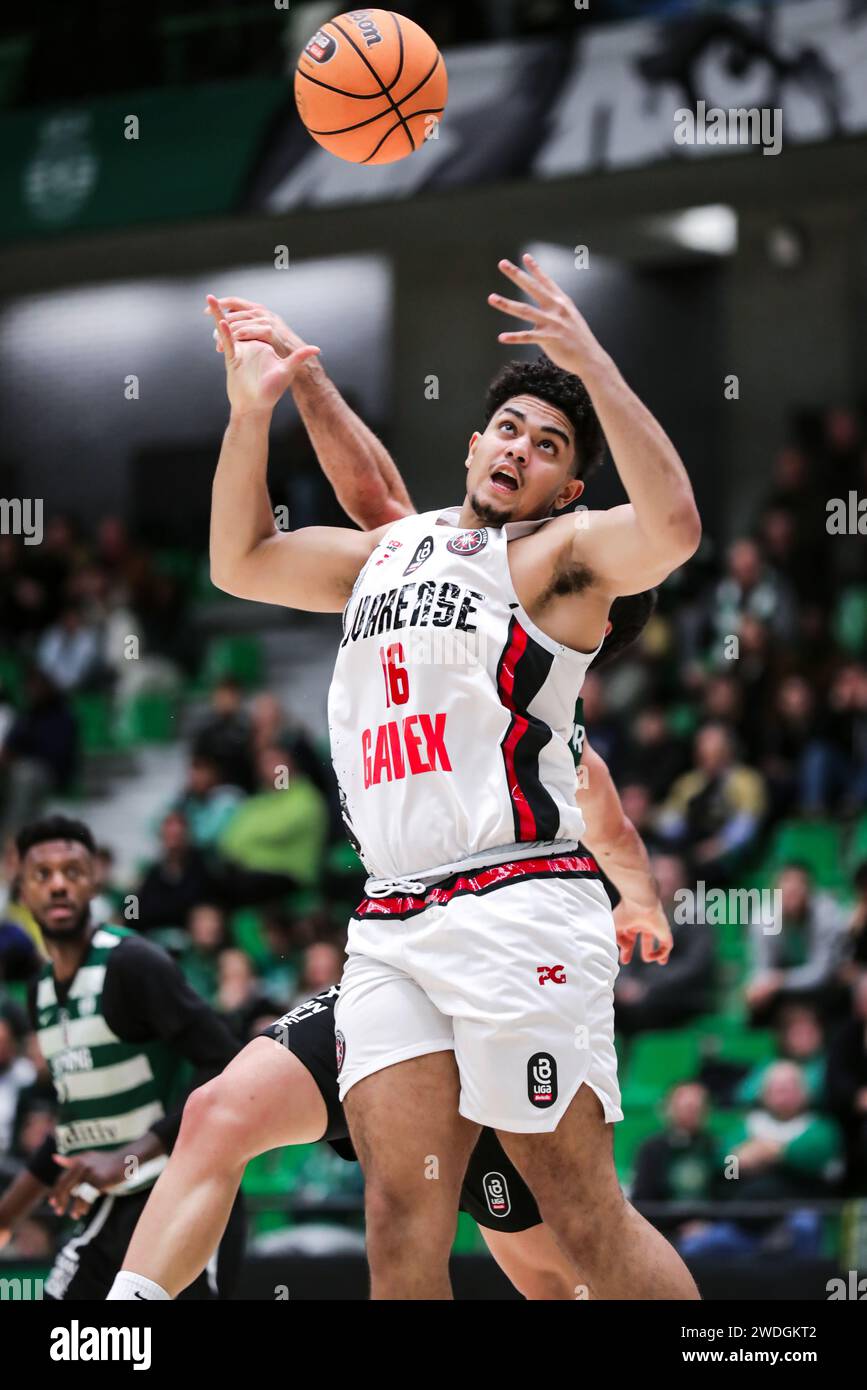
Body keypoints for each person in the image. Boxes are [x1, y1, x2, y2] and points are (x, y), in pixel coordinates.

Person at [198, 257, 702, 1300]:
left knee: (583, 1214)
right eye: (510, 427)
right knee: (397, 1221)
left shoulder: (557, 562)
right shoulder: (397, 550)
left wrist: (593, 365)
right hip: (392, 920)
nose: (521, 446)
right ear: (475, 447)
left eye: (550, 445)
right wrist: (260, 406)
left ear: (569, 489)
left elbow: (675, 529)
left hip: (516, 903)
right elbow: (241, 559)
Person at [108, 610, 676, 1302]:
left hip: (501, 968)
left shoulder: (522, 702)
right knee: (218, 1112)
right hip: (398, 951)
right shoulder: (416, 624)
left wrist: (641, 898)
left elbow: (604, 812)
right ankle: (123, 1328)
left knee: (564, 1264)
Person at [0, 815, 244, 1299]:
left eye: (72, 871)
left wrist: (129, 1156)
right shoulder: (40, 992)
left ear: (94, 882)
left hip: (184, 1191)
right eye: (42, 875)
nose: (58, 886)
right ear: (20, 891)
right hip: (114, 1205)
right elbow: (74, 1124)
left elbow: (226, 1065)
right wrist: (5, 1218)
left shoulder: (133, 963)